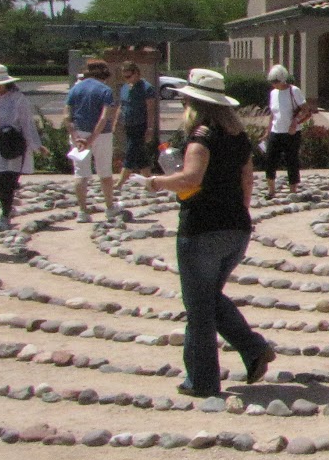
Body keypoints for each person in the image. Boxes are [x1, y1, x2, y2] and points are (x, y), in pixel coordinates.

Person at [142, 69, 275, 399]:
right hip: (236, 229)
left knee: (199, 308)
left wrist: (157, 182)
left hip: (202, 229)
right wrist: (239, 215)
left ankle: (201, 380)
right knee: (209, 298)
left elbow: (191, 179)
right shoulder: (239, 137)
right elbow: (247, 181)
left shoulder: (201, 136)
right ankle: (254, 348)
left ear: (194, 103)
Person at [0, 65, 42, 235]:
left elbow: (26, 123)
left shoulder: (17, 99)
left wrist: (35, 144)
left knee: (5, 181)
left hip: (9, 145)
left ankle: (5, 214)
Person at [65, 58, 118, 222]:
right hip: (101, 134)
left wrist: (76, 137)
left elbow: (67, 116)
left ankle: (82, 211)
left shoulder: (75, 89)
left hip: (79, 133)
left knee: (80, 173)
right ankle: (109, 208)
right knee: (105, 172)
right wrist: (92, 139)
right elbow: (104, 118)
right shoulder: (105, 90)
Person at [263, 65, 314, 199]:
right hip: (276, 131)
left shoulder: (294, 91)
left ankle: (293, 191)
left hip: (292, 133)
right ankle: (271, 190)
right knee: (270, 160)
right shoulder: (273, 93)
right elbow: (273, 114)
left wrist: (295, 122)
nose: (274, 84)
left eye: (276, 81)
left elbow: (306, 110)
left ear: (282, 79)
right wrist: (267, 131)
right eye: (272, 82)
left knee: (291, 160)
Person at [115, 62, 159, 191]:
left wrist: (150, 128)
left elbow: (150, 109)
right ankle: (150, 183)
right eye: (124, 77)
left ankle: (120, 182)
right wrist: (116, 122)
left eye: (129, 76)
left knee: (131, 152)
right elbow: (121, 105)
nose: (126, 79)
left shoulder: (147, 88)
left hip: (140, 125)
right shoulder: (124, 87)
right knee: (140, 157)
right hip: (128, 124)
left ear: (136, 73)